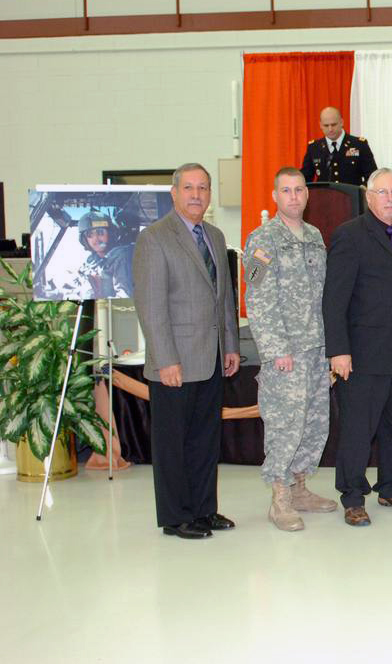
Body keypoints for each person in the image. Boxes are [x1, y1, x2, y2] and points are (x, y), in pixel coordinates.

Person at [132, 163, 240, 540]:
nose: (197, 194)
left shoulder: (214, 234)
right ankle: (176, 516)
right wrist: (166, 359)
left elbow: (223, 298)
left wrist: (230, 345)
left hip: (211, 358)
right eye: (189, 188)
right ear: (174, 193)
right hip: (174, 362)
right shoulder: (155, 238)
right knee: (173, 444)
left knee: (204, 441)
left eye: (203, 188)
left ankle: (204, 509)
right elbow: (152, 306)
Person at [323, 167, 392, 526]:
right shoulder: (350, 235)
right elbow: (334, 299)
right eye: (384, 192)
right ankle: (352, 496)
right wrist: (338, 350)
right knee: (358, 430)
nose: (391, 198)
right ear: (368, 196)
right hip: (361, 353)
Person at [242, 167, 336, 532]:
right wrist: (276, 349)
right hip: (286, 353)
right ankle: (279, 497)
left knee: (314, 424)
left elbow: (323, 296)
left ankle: (299, 488)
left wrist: (330, 350)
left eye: (299, 190)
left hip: (316, 350)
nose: (294, 196)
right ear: (275, 196)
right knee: (285, 424)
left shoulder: (314, 236)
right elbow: (257, 298)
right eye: (287, 190)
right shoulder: (262, 240)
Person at [300, 106, 377, 186]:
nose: (330, 129)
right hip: (325, 197)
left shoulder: (359, 145)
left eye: (333, 124)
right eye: (326, 125)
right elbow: (305, 178)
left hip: (352, 196)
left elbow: (373, 177)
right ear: (320, 125)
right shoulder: (314, 147)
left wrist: (362, 191)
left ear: (341, 122)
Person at [73, 209, 133, 298]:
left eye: (100, 232)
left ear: (110, 234)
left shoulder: (121, 257)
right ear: (85, 240)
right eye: (90, 235)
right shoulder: (91, 261)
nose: (96, 238)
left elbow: (125, 300)